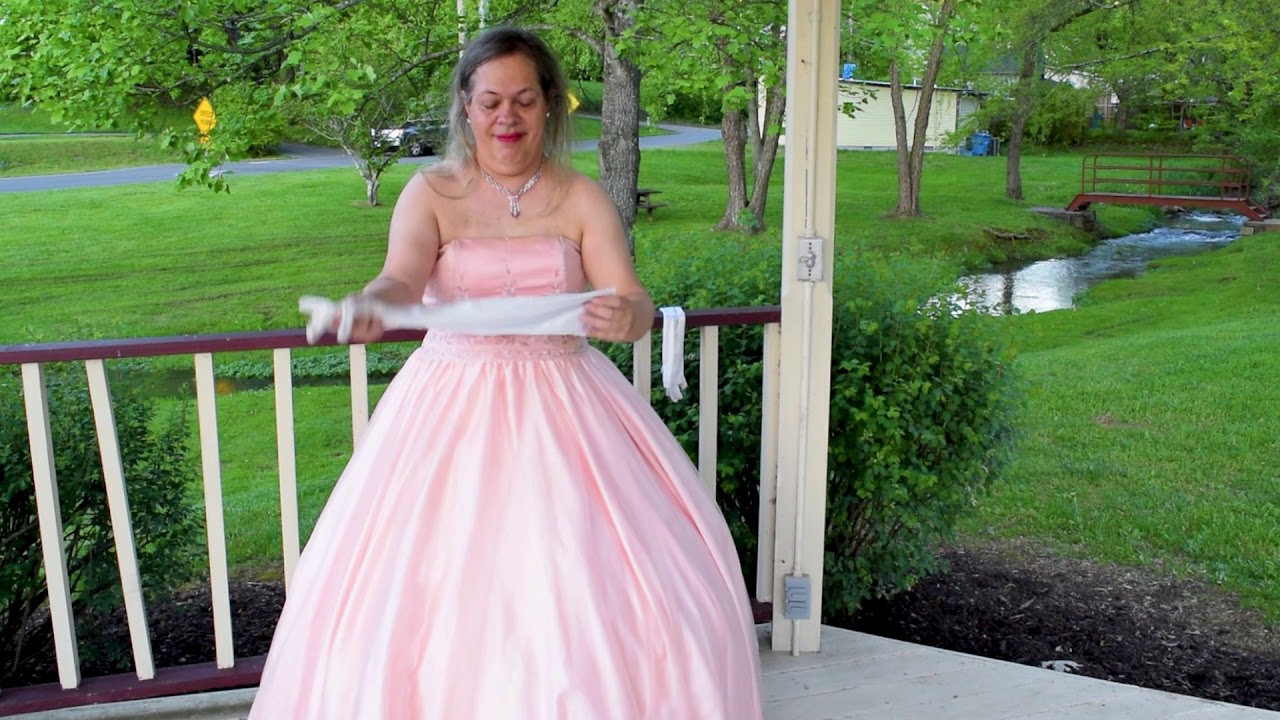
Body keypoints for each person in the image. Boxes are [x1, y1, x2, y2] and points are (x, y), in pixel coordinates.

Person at [249, 26, 763, 719]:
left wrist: (629, 316)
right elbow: (399, 278)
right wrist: (367, 308)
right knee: (434, 588)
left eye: (523, 100)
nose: (506, 118)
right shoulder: (430, 192)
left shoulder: (582, 198)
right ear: (466, 106)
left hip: (569, 408)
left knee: (585, 586)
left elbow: (631, 298)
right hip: (449, 409)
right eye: (490, 101)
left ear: (550, 104)